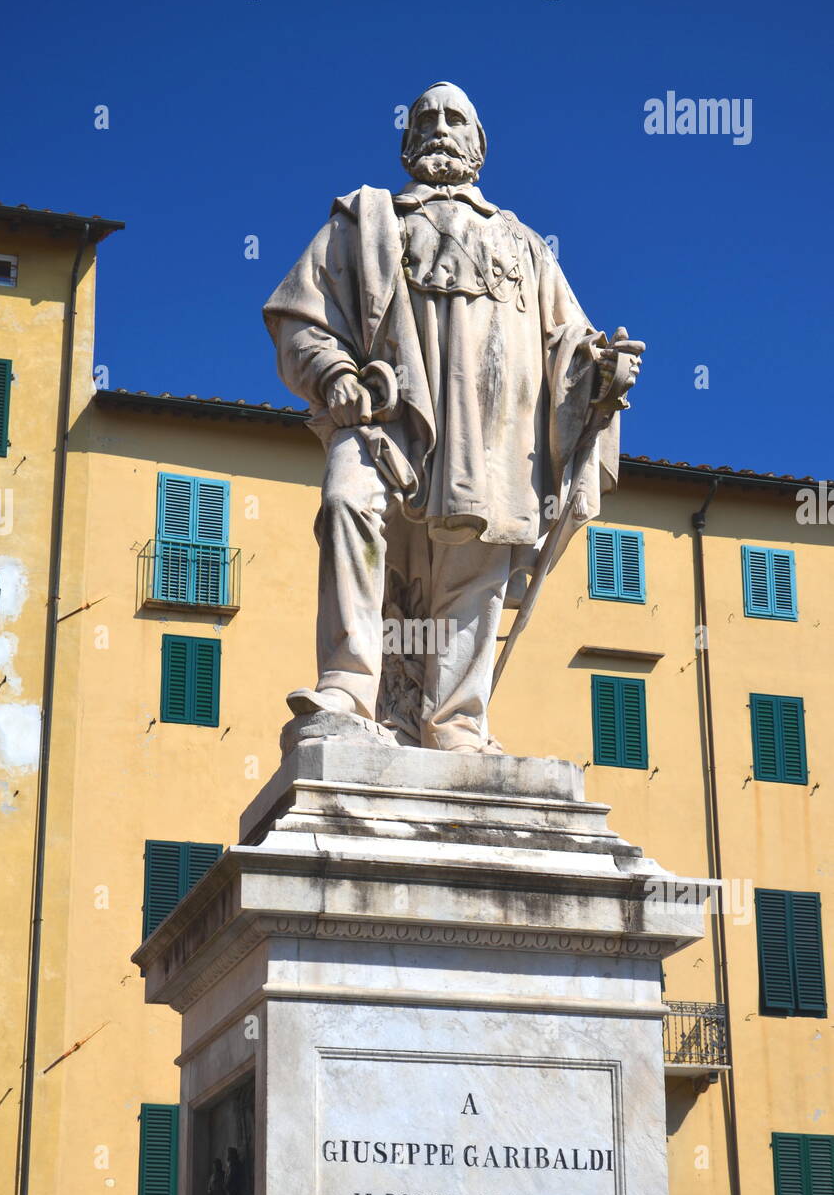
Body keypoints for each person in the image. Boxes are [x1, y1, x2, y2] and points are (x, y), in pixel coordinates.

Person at [264, 82, 643, 752]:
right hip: (384, 418)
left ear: (478, 144)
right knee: (347, 503)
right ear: (406, 140)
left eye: (454, 118)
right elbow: (301, 320)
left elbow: (568, 343)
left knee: (476, 566)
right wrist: (334, 375)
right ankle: (349, 687)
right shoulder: (364, 220)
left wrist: (601, 373)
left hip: (496, 438)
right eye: (424, 118)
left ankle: (455, 721)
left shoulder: (524, 243)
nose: (438, 126)